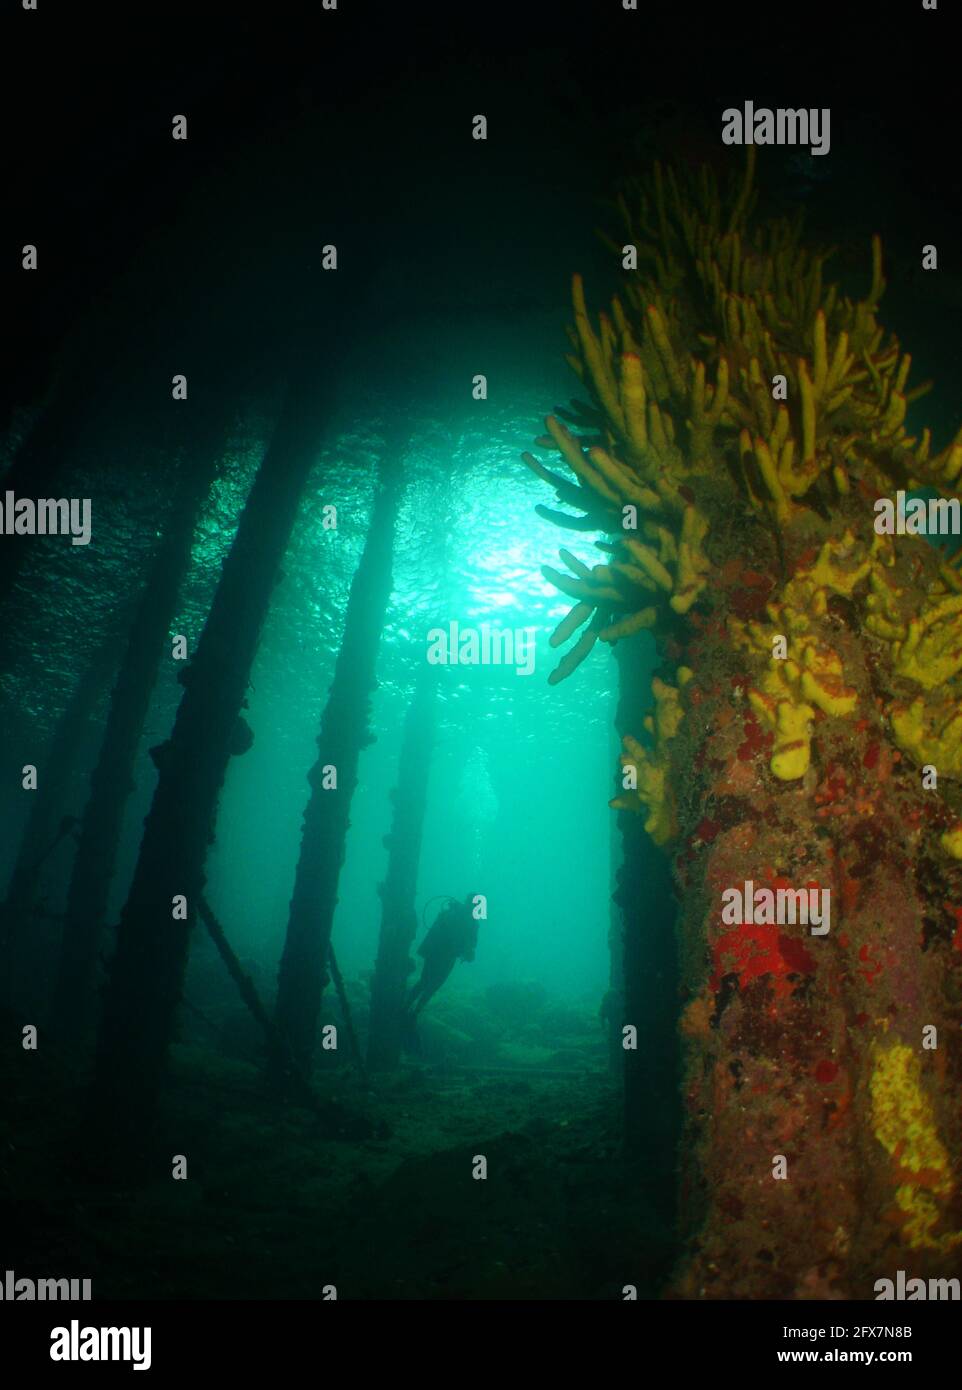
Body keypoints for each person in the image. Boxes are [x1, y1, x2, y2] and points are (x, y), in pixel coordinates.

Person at [403, 894, 478, 1039]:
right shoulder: (456, 915)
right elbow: (466, 942)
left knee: (429, 984)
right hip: (440, 954)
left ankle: (410, 1010)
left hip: (443, 956)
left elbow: (471, 945)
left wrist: (468, 951)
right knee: (428, 983)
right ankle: (409, 1009)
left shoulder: (467, 920)